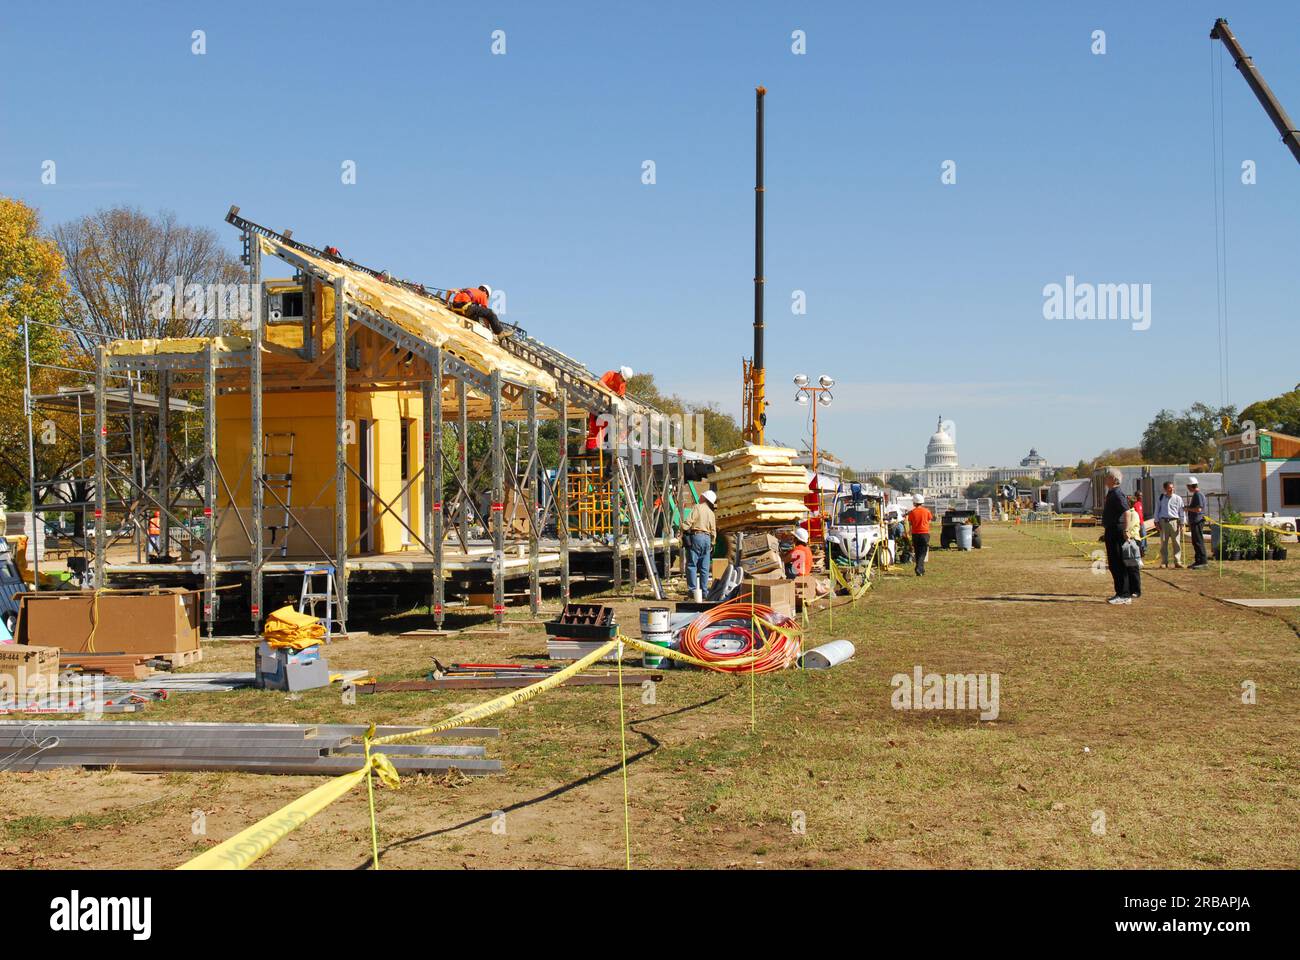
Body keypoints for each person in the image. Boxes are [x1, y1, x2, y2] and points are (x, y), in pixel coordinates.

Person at [1101, 467, 1139, 604]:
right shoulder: (1111, 493)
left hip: (1117, 531)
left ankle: (1124, 594)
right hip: (1111, 531)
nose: (1105, 479)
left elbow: (1127, 512)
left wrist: (1126, 530)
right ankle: (1121, 593)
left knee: (1118, 564)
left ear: (1113, 479)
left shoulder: (1117, 494)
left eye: (1107, 476)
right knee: (1113, 564)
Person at [585, 366, 634, 452]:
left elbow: (621, 394)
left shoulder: (622, 384)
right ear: (620, 374)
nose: (622, 381)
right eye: (622, 379)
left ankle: (606, 446)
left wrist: (622, 397)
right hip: (598, 404)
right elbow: (600, 382)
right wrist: (610, 391)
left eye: (624, 381)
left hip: (609, 409)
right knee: (595, 425)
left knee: (608, 427)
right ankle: (592, 446)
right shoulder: (610, 374)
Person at [681, 489, 717, 602]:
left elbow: (688, 523)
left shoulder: (697, 507)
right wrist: (712, 543)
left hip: (697, 537)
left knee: (692, 565)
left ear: (704, 498)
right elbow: (714, 530)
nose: (699, 497)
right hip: (707, 539)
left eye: (701, 496)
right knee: (704, 568)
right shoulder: (711, 513)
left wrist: (681, 528)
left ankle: (692, 591)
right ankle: (704, 592)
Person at [1154, 481, 1184, 569]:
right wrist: (1156, 522)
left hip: (1175, 522)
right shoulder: (1160, 498)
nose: (1171, 489)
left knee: (1176, 542)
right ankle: (1164, 562)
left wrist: (1182, 522)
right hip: (1163, 522)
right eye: (1169, 488)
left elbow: (1181, 511)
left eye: (1172, 487)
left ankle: (1177, 561)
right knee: (1163, 543)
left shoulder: (1178, 498)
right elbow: (1157, 510)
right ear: (1165, 489)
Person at [906, 494, 933, 577]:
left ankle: (921, 570)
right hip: (924, 533)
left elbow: (910, 523)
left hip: (915, 534)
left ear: (914, 502)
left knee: (917, 552)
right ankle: (918, 568)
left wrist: (909, 532)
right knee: (923, 552)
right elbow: (929, 520)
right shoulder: (927, 511)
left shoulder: (912, 512)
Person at [1185, 477, 1208, 569]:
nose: (1188, 488)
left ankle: (1203, 561)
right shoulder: (1197, 494)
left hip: (1197, 521)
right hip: (1195, 521)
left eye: (1188, 486)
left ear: (1191, 486)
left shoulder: (1198, 495)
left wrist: (1187, 509)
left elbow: (1198, 509)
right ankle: (1198, 561)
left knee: (1198, 542)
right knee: (1195, 542)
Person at [1130, 489, 1146, 557]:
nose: (1141, 497)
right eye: (1140, 495)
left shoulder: (1140, 503)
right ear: (1136, 496)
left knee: (1144, 535)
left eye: (1142, 495)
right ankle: (1139, 550)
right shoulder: (1134, 504)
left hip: (1142, 523)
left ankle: (1143, 549)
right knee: (1137, 537)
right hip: (1136, 524)